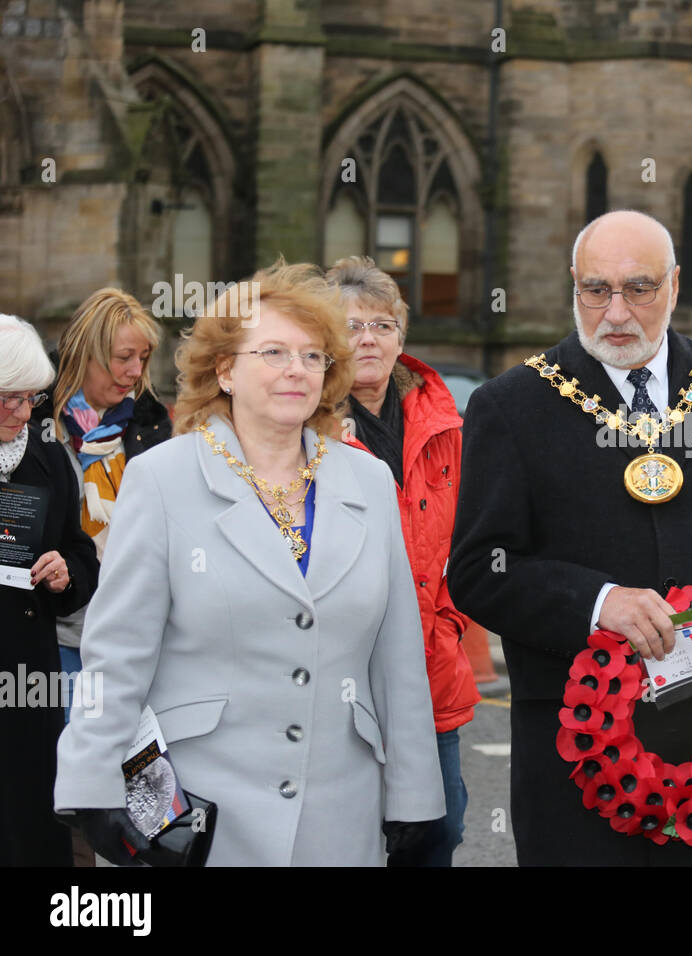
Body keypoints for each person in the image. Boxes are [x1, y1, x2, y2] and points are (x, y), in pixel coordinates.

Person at [448, 210, 692, 865]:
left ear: (674, 285)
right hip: (574, 753)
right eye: (596, 289)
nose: (616, 312)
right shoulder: (511, 404)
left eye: (638, 289)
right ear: (573, 285)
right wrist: (597, 602)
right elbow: (479, 569)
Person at [55, 260, 444, 866]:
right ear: (226, 369)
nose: (296, 370)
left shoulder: (367, 481)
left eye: (312, 356)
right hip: (200, 818)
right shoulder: (161, 478)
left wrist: (415, 795)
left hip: (340, 817)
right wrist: (92, 785)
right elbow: (117, 653)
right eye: (273, 352)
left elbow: (396, 656)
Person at [325, 255, 479, 867]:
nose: (369, 339)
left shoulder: (442, 424)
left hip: (427, 666)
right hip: (345, 667)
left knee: (438, 827)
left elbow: (469, 542)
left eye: (383, 325)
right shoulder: (307, 425)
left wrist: (449, 623)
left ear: (401, 337)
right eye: (352, 326)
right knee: (352, 831)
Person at [33, 290, 171, 724]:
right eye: (123, 357)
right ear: (84, 353)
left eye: (143, 359)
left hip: (134, 637)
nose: (135, 372)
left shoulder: (150, 423)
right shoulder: (35, 424)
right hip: (59, 636)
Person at [0, 315, 99, 866]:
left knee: (29, 821)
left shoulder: (49, 458)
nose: (22, 412)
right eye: (8, 398)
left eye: (30, 399)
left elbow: (80, 550)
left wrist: (68, 572)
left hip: (26, 676)